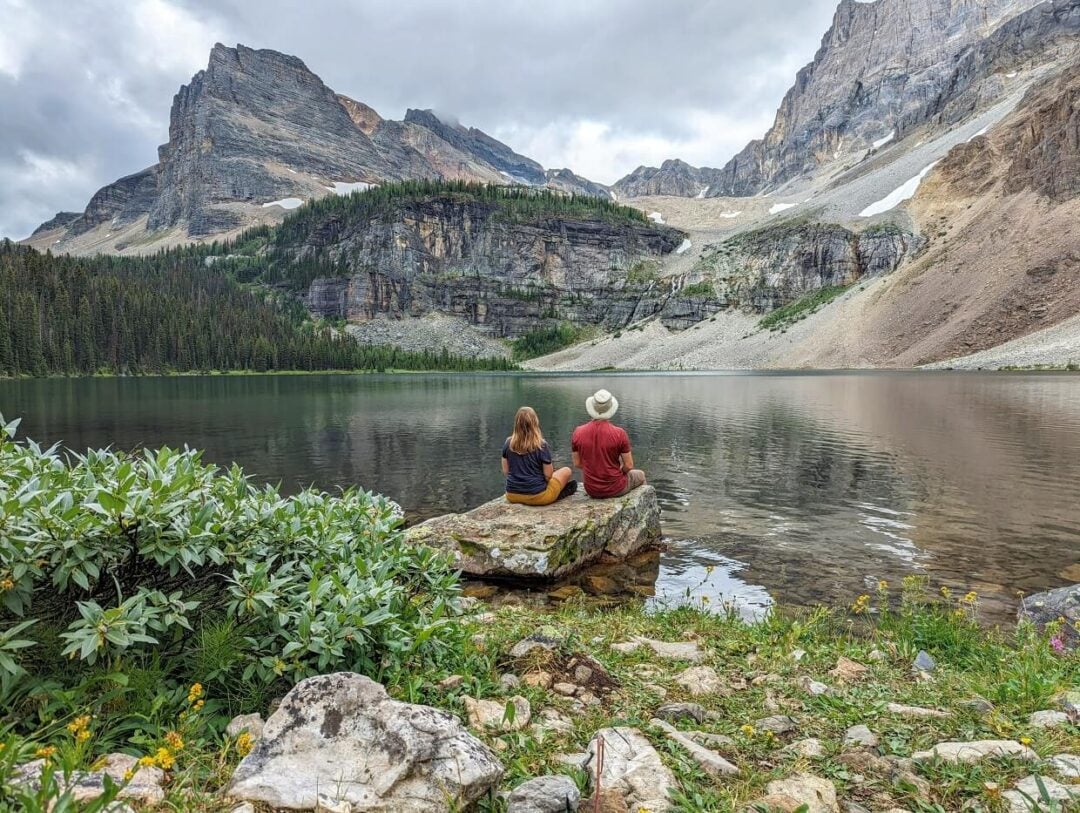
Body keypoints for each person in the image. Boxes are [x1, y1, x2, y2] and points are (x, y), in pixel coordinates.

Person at [571, 388, 646, 499]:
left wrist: (594, 470)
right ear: (610, 409)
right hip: (616, 488)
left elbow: (577, 463)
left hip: (591, 489)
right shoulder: (619, 433)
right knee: (640, 475)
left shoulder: (578, 432)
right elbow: (629, 465)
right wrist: (619, 472)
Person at [502, 406, 578, 505]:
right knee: (566, 471)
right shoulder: (541, 445)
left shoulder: (508, 443)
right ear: (535, 423)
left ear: (516, 424)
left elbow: (506, 471)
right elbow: (548, 476)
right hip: (538, 496)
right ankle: (558, 494)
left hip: (512, 495)